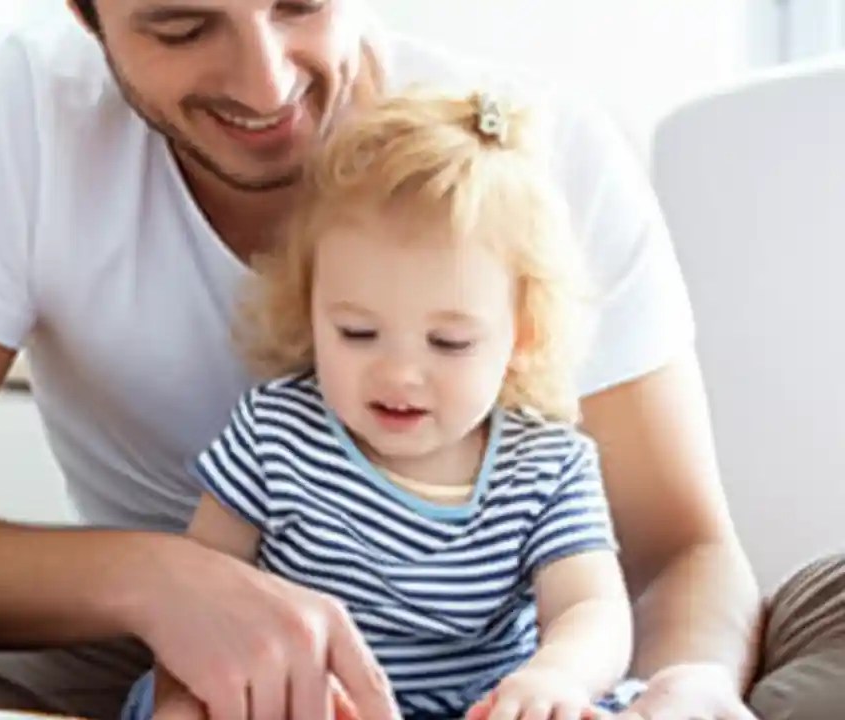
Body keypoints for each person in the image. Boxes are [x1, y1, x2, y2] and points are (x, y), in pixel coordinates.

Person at [0, 2, 844, 720]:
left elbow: (677, 548)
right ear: (85, 13)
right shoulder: (30, 124)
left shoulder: (530, 154)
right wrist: (160, 586)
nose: (265, 82)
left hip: (504, 674)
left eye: (299, 1)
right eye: (179, 23)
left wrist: (683, 696)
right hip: (181, 676)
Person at [120, 86, 646, 720]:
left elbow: (592, 609)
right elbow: (201, 595)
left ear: (520, 338)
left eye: (448, 342)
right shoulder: (275, 431)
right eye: (358, 333)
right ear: (307, 309)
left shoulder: (549, 467)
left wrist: (553, 679)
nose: (399, 373)